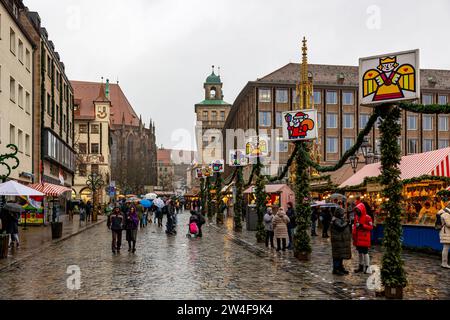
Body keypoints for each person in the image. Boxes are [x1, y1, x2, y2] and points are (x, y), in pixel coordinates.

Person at [353, 202, 373, 274]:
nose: (357, 212)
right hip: (358, 238)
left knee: (365, 252)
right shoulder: (356, 217)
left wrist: (362, 225)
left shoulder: (368, 217)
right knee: (360, 253)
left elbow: (371, 227)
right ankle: (360, 266)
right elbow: (355, 227)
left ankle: (367, 267)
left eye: (358, 210)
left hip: (364, 238)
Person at [331, 206, 352, 275]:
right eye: (343, 213)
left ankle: (340, 268)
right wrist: (346, 222)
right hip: (338, 241)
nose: (344, 214)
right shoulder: (336, 220)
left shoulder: (339, 219)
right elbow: (340, 227)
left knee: (340, 256)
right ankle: (336, 269)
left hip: (340, 241)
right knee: (337, 256)